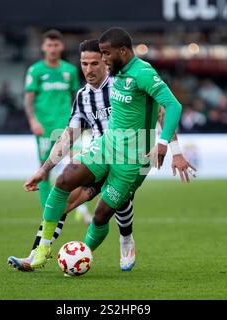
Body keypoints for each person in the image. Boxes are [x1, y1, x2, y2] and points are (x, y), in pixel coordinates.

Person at [28, 27, 195, 269]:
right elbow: (70, 133)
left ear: (122, 51)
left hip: (133, 159)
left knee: (102, 213)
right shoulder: (93, 89)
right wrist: (44, 170)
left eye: (104, 55)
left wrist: (170, 147)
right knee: (64, 180)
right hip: (105, 147)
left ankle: (99, 249)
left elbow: (169, 108)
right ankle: (41, 250)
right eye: (89, 61)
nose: (101, 62)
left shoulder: (143, 74)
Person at [24, 29, 91, 223]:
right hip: (44, 127)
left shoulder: (69, 71)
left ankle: (81, 207)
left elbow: (76, 98)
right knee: (45, 170)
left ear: (61, 46)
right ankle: (49, 213)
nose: (52, 49)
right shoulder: (36, 71)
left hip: (67, 127)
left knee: (78, 165)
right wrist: (33, 121)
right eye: (49, 45)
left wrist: (81, 121)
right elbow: (28, 99)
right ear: (43, 47)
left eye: (56, 45)